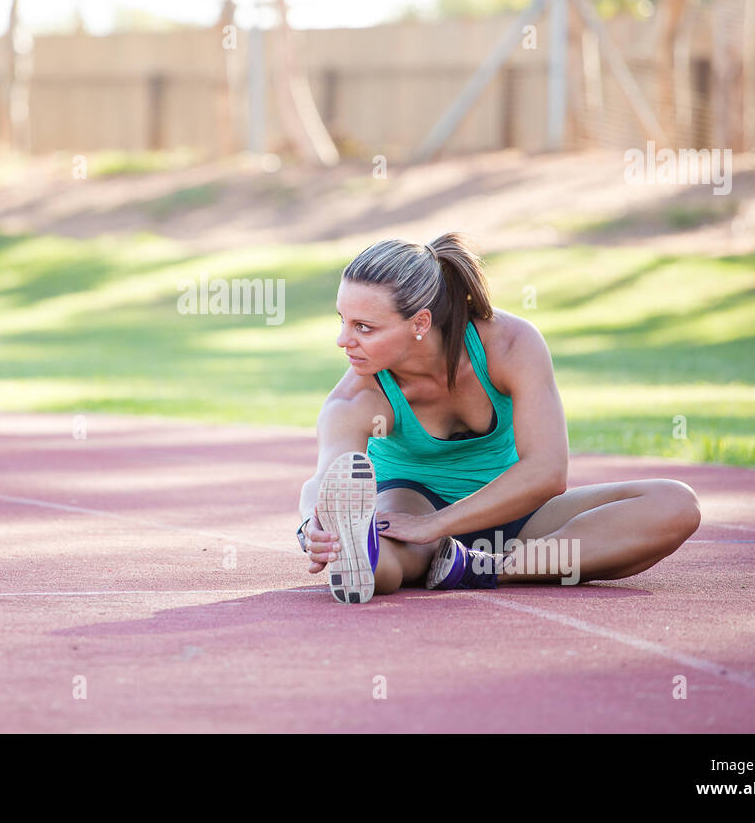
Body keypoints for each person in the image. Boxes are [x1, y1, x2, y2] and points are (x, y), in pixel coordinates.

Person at [295, 234, 701, 604]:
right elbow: (326, 477)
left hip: (512, 513)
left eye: (363, 327)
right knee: (375, 564)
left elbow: (547, 473)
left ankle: (481, 567)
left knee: (674, 504)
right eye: (342, 320)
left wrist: (439, 525)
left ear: (420, 322)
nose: (343, 340)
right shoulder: (354, 398)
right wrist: (316, 526)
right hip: (410, 511)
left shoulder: (510, 344)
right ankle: (371, 557)